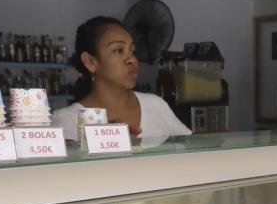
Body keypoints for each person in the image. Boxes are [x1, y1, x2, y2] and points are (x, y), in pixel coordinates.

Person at [53, 16, 191, 142]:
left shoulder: (156, 105)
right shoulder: (66, 121)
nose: (132, 59)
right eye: (118, 50)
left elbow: (190, 147)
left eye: (133, 51)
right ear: (90, 61)